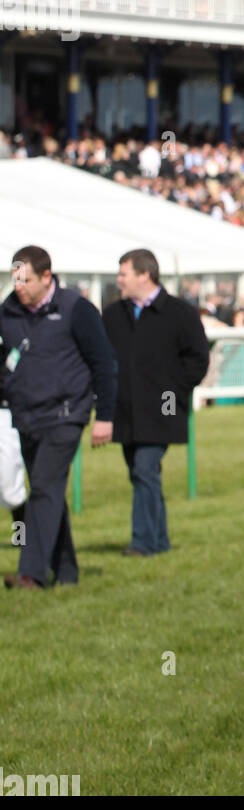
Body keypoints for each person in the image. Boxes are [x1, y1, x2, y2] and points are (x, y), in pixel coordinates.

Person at [0, 245, 117, 589]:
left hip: (66, 414)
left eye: (25, 280)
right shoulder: (7, 311)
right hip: (25, 415)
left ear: (46, 276)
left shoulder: (76, 309)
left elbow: (103, 363)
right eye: (14, 279)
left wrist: (104, 416)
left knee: (45, 489)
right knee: (45, 491)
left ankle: (31, 573)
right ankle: (67, 571)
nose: (18, 287)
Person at [100, 249, 209, 556]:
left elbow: (198, 358)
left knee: (145, 468)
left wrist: (172, 392)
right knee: (140, 472)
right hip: (126, 410)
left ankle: (143, 542)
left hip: (163, 409)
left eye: (124, 274)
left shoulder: (179, 312)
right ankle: (158, 541)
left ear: (144, 275)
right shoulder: (113, 314)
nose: (119, 280)